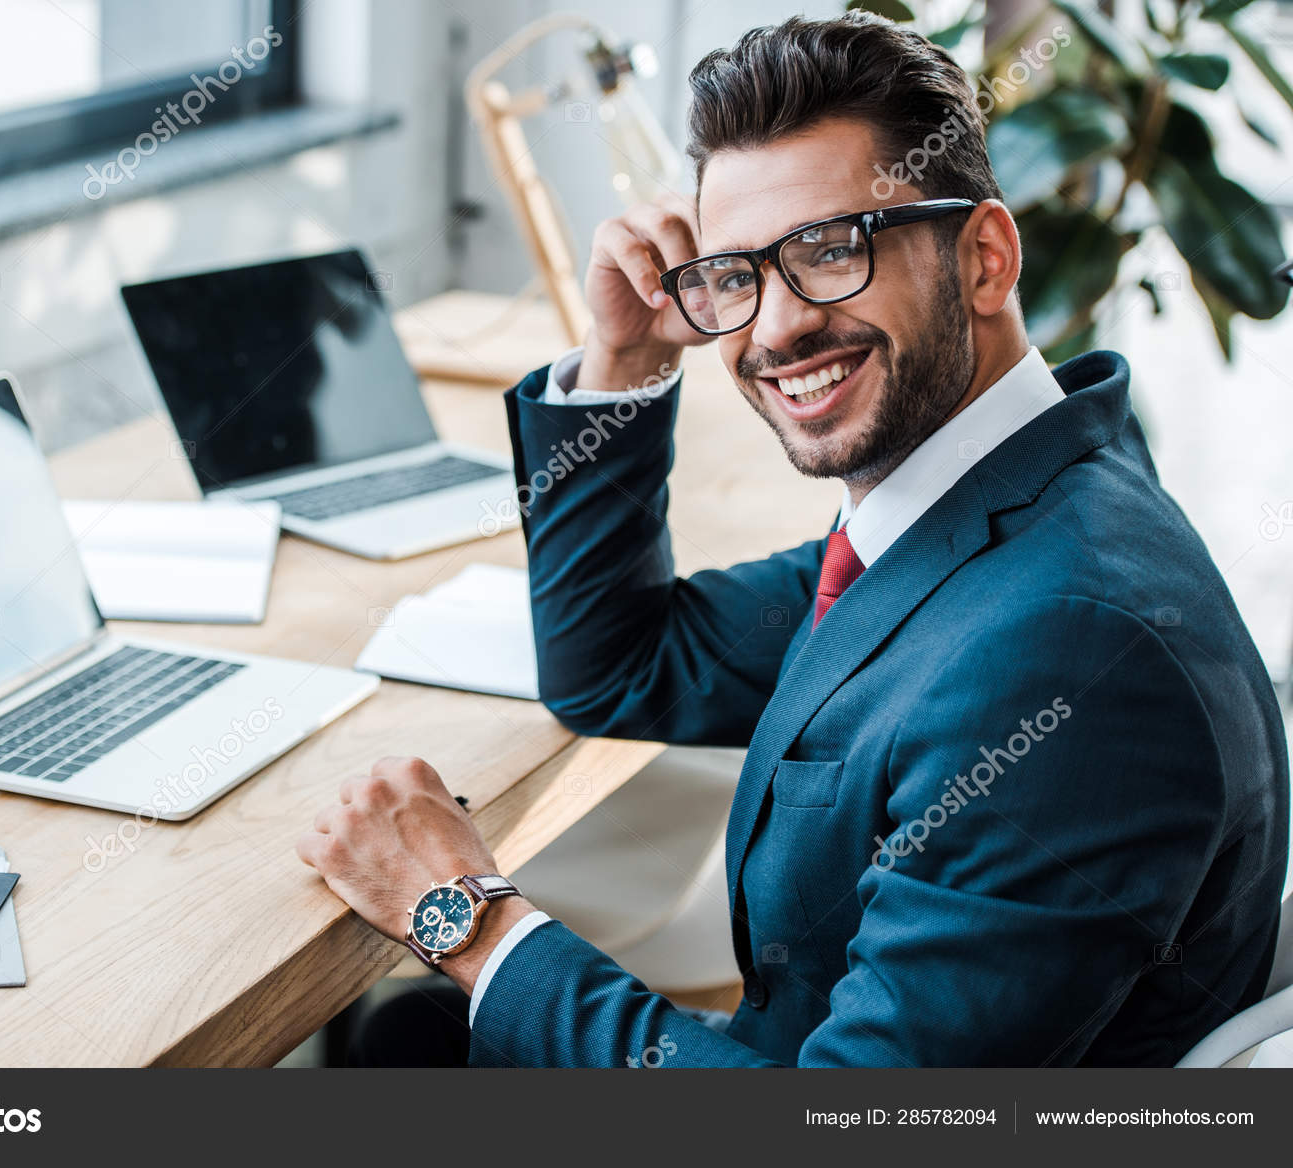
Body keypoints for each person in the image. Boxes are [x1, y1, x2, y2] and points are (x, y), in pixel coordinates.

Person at [297, 12, 1289, 1067]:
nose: (772, 331)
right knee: (413, 1033)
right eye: (734, 274)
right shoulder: (987, 505)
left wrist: (472, 919)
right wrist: (622, 358)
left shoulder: (1065, 651)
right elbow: (619, 669)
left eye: (829, 250)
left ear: (986, 260)